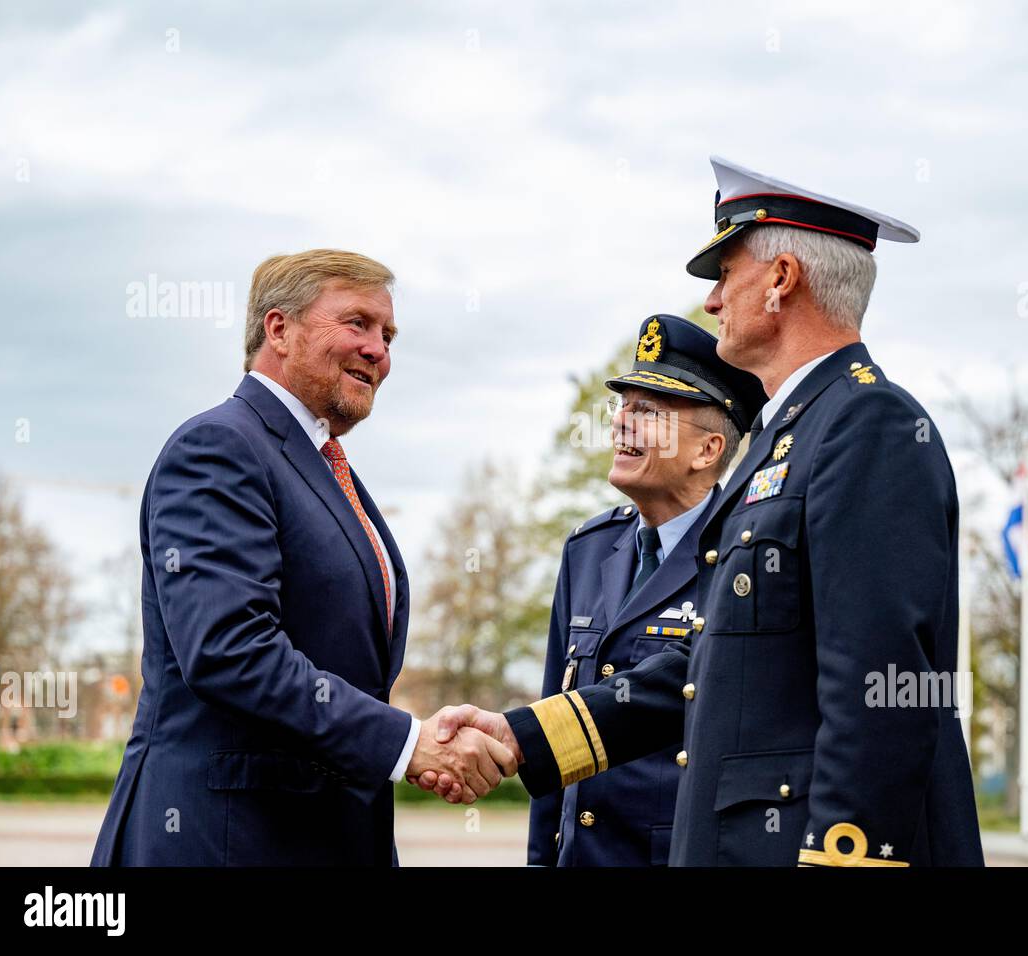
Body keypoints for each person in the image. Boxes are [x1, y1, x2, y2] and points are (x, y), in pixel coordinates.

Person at [419, 158, 984, 867]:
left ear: (781, 279)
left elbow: (881, 689)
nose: (713, 301)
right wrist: (520, 737)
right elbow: (707, 664)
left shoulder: (867, 422)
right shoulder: (790, 434)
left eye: (724, 273)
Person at [91, 249, 515, 867]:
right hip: (223, 842)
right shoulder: (219, 446)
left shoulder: (321, 465)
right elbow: (230, 650)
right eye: (358, 323)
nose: (380, 351)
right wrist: (406, 743)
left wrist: (412, 744)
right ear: (279, 329)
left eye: (388, 335)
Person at [528, 314, 766, 866]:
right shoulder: (588, 548)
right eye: (623, 409)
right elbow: (553, 715)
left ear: (707, 451)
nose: (621, 426)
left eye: (648, 414)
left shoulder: (747, 554)